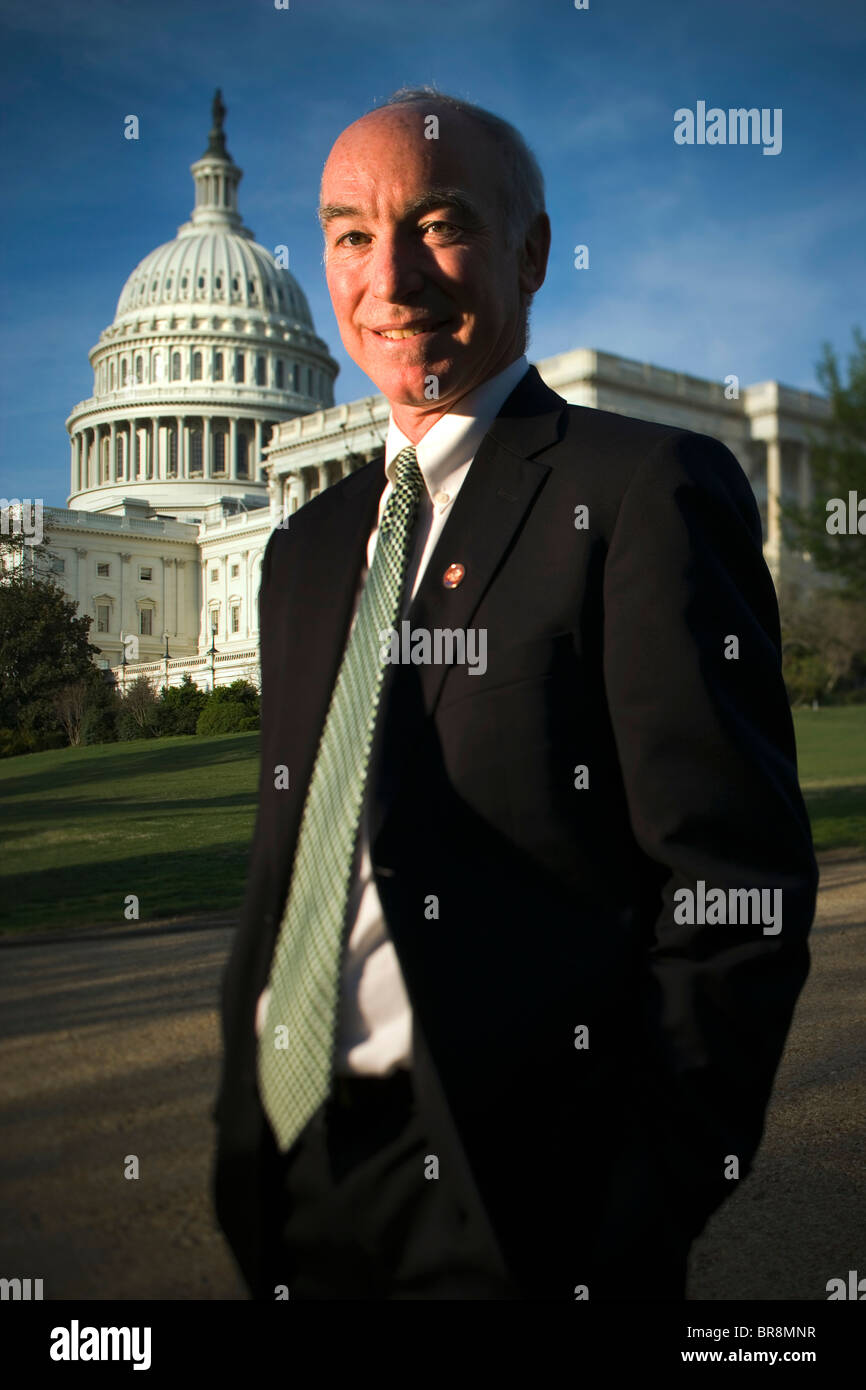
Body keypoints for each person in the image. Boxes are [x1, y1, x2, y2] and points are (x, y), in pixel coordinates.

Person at [212, 85, 818, 1301]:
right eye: (347, 234)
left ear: (530, 251)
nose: (391, 276)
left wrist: (635, 1199)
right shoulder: (305, 550)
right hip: (301, 1169)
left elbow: (732, 881)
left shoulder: (643, 489)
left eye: (438, 224)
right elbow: (302, 855)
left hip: (522, 1196)